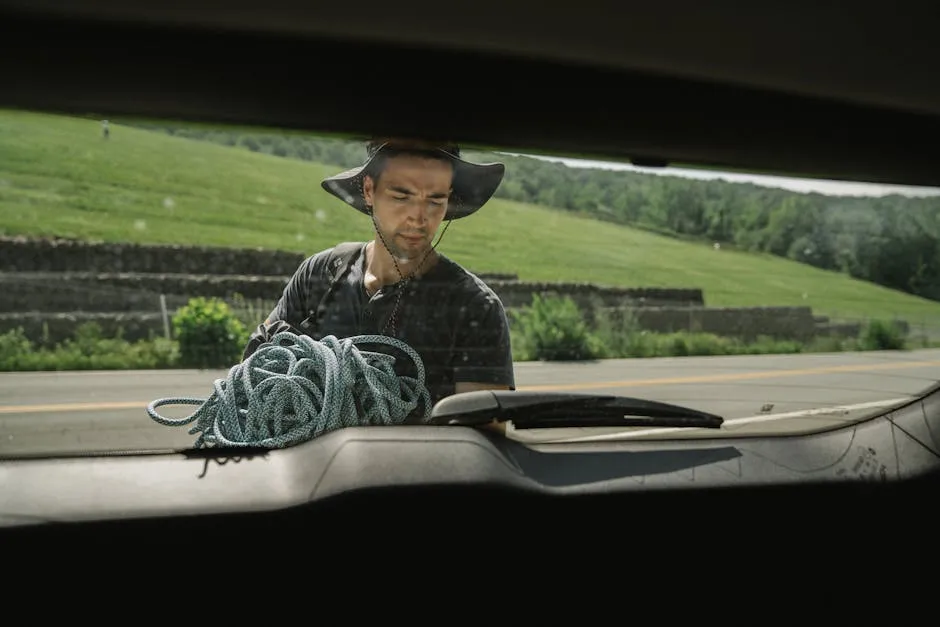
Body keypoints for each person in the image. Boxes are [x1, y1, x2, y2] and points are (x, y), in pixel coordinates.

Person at [243, 137, 515, 414]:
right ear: (369, 190)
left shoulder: (475, 308)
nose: (418, 218)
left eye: (435, 200)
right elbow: (253, 375)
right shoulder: (319, 274)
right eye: (401, 197)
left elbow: (482, 438)